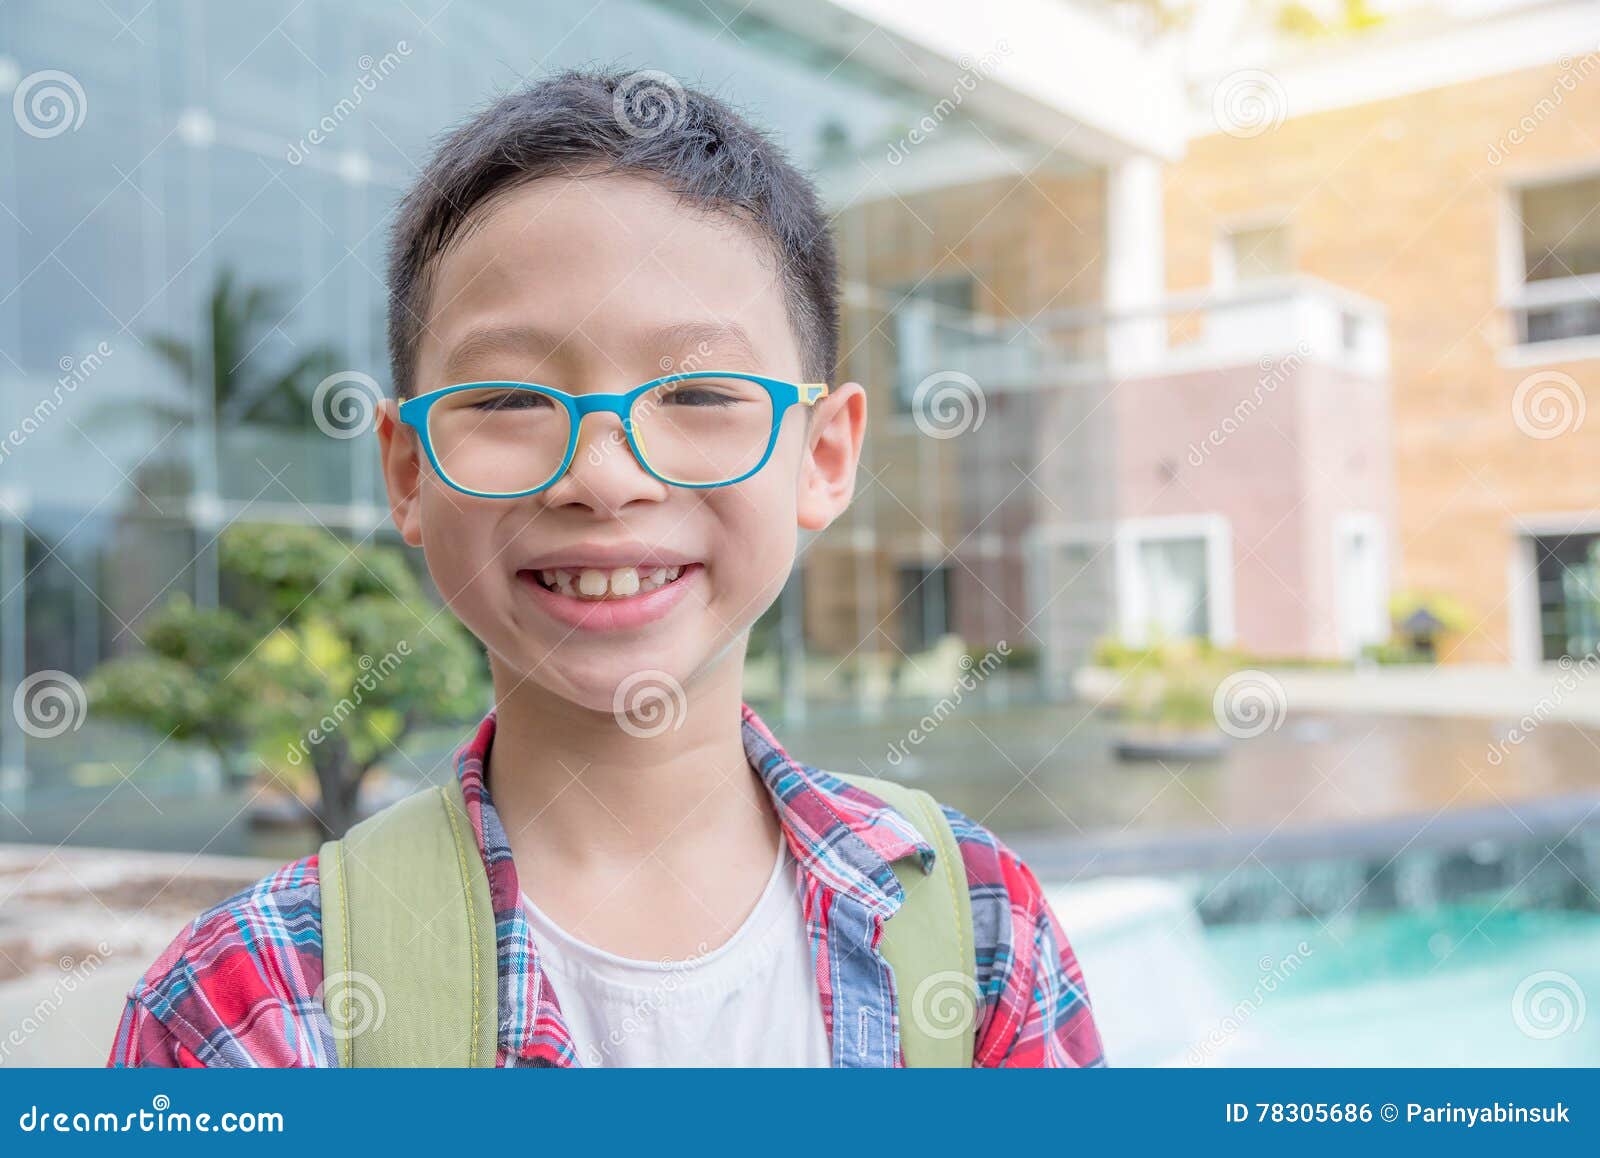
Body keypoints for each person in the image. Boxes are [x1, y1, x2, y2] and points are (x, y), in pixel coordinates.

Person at [109, 68, 1104, 1069]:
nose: (603, 475)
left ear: (824, 456)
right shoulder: (255, 1001)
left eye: (701, 392)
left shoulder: (977, 930)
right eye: (508, 401)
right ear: (407, 471)